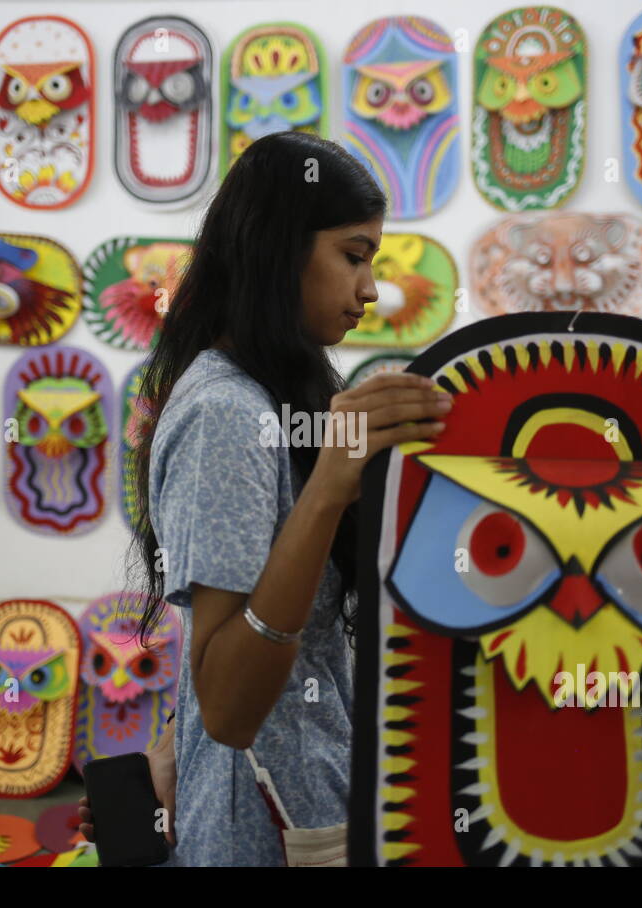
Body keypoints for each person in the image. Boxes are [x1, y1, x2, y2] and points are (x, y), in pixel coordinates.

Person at [79, 131, 452, 865]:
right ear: (279, 249)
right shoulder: (227, 411)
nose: (371, 289)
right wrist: (328, 491)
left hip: (297, 800)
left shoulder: (272, 397)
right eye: (354, 255)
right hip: (268, 830)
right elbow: (227, 702)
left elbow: (225, 660)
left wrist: (170, 746)